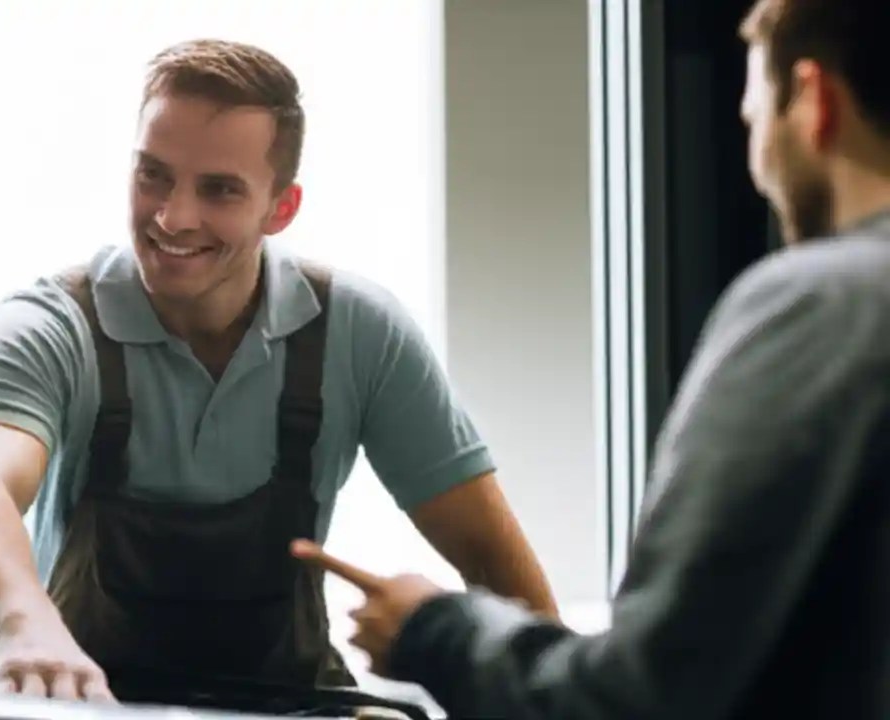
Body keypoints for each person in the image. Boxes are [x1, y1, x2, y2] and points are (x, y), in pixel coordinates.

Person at [294, 0, 890, 717]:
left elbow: (641, 695)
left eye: (756, 114)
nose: (758, 161)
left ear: (814, 101)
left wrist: (435, 631)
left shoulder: (824, 304)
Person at [0, 38, 559, 702]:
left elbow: (492, 559)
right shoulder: (49, 326)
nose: (174, 217)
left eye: (220, 190)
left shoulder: (360, 333)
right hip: (90, 708)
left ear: (280, 208)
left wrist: (557, 701)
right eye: (153, 175)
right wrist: (28, 627)